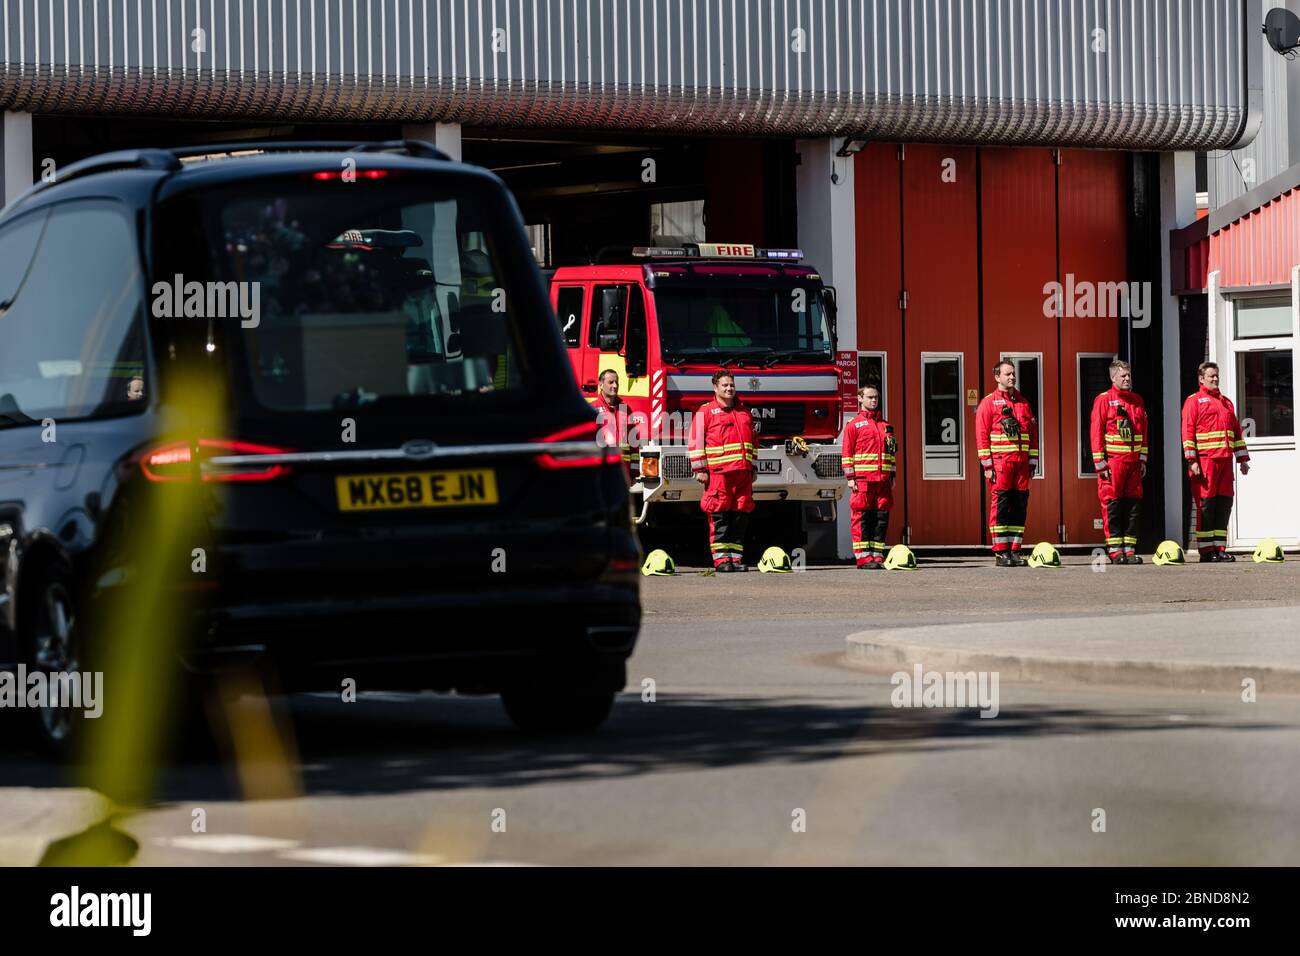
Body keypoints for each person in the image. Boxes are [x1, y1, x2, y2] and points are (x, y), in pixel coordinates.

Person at [1181, 361, 1250, 562]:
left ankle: (1220, 548)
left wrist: (1242, 458)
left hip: (1225, 463)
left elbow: (1236, 433)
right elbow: (1188, 433)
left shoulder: (1226, 403)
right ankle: (1206, 550)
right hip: (1205, 462)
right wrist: (1191, 460)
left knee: (1224, 505)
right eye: (1211, 376)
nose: (1215, 379)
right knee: (1206, 506)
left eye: (1217, 375)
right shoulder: (1193, 401)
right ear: (1201, 378)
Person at [689, 371, 756, 571]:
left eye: (731, 385)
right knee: (719, 516)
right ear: (715, 388)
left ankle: (735, 559)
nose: (729, 388)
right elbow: (695, 442)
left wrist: (753, 467)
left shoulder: (744, 412)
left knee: (739, 517)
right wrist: (701, 469)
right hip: (719, 474)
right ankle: (721, 561)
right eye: (725, 385)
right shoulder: (705, 412)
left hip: (743, 473)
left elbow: (753, 443)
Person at [975, 359, 1039, 567]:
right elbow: (982, 436)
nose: (1012, 377)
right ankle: (1001, 553)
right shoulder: (988, 403)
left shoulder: (1023, 403)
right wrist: (987, 465)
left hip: (1021, 466)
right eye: (1007, 374)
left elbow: (1032, 433)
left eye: (1013, 374)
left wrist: (1032, 461)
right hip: (1001, 465)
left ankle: (1014, 550)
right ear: (997, 377)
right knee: (1001, 507)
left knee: (1020, 507)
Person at [1089, 359, 1148, 564]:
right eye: (1123, 376)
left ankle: (1129, 549)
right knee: (1112, 505)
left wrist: (1142, 459)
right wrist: (1100, 463)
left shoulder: (1137, 401)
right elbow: (1096, 432)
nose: (1127, 379)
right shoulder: (1103, 400)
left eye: (1129, 375)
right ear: (1113, 377)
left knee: (1132, 506)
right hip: (1113, 463)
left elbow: (1143, 432)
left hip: (1133, 463)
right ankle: (1114, 550)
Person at [841, 384, 897, 569]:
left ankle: (877, 554)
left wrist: (892, 474)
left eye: (876, 397)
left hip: (883, 481)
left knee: (881, 517)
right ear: (860, 399)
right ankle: (863, 557)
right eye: (870, 397)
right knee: (861, 517)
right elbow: (847, 453)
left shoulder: (886, 426)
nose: (874, 400)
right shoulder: (854, 425)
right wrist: (850, 477)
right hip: (863, 480)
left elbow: (891, 453)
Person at [590, 369, 642, 478]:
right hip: (601, 472)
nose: (615, 385)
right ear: (600, 384)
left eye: (616, 382)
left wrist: (634, 472)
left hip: (623, 473)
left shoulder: (625, 409)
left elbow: (634, 442)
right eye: (610, 382)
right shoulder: (592, 409)